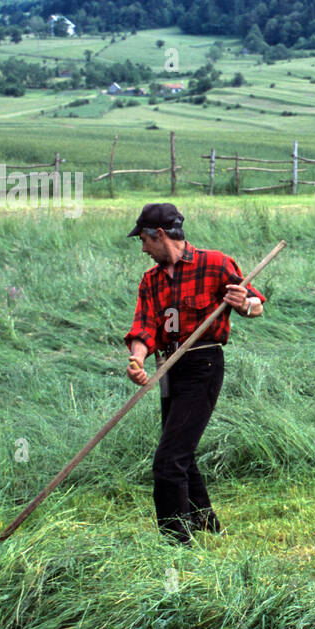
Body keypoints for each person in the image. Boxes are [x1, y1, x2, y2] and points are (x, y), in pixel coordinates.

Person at [123, 203, 265, 543]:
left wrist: (242, 302)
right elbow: (144, 327)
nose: (143, 249)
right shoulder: (151, 280)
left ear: (159, 235)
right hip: (168, 370)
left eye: (144, 240)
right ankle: (207, 528)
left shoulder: (215, 264)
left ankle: (176, 545)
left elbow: (256, 306)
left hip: (203, 365)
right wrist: (138, 361)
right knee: (180, 453)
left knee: (168, 461)